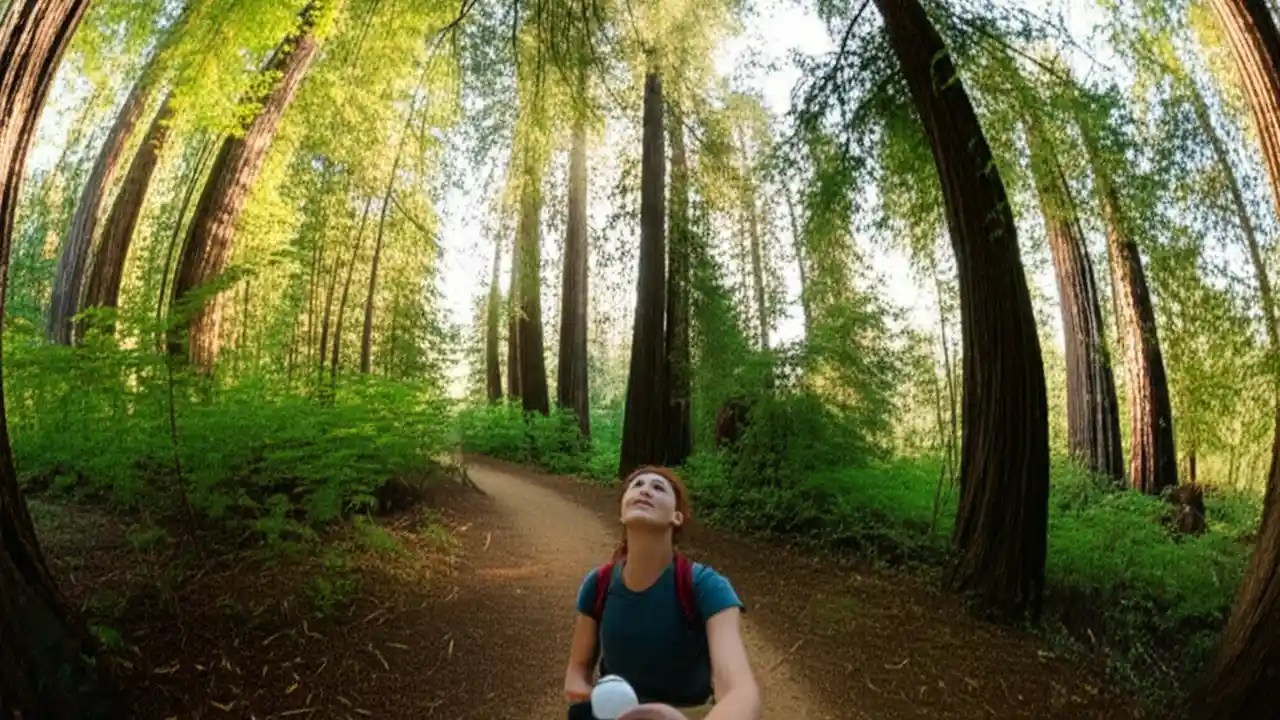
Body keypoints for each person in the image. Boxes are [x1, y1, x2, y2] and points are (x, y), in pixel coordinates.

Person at [563, 466, 762, 720]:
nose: (645, 490)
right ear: (622, 512)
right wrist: (584, 691)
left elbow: (740, 691)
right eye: (637, 486)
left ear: (677, 517)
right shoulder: (598, 584)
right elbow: (577, 669)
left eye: (658, 488)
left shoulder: (707, 586)